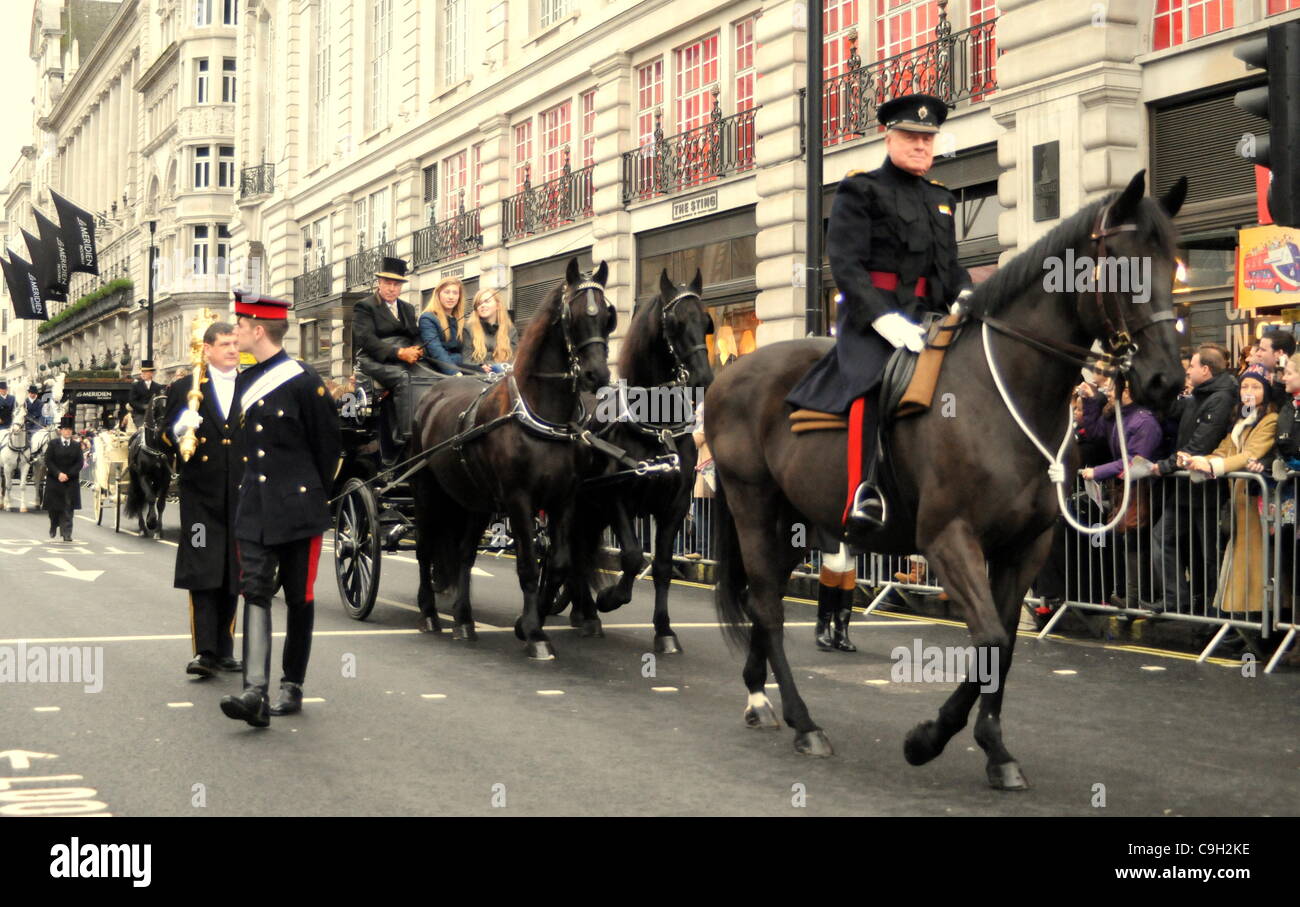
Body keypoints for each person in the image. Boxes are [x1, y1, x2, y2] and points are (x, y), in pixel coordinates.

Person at [785, 93, 972, 535]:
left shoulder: (940, 199)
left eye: (928, 138)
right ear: (888, 138)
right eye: (911, 136)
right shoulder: (860, 189)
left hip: (930, 317)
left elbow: (950, 267)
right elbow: (846, 266)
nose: (922, 146)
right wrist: (883, 319)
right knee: (872, 383)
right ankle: (862, 490)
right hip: (874, 322)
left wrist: (966, 296)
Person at [219, 294, 341, 728]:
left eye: (239, 326)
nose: (234, 334)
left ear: (258, 329)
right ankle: (254, 691)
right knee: (254, 590)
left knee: (298, 597)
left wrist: (309, 497)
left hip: (298, 505)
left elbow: (329, 449)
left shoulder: (306, 381)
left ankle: (292, 683)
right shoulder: (245, 380)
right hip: (255, 505)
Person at [164, 321, 245, 680]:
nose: (232, 349)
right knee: (203, 569)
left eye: (235, 343)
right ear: (207, 349)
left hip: (240, 493)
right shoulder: (187, 386)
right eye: (225, 344)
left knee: (232, 569)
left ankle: (225, 648)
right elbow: (165, 436)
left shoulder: (251, 384)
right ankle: (205, 650)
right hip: (201, 498)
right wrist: (180, 428)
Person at [1151, 346, 1237, 614]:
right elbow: (1174, 410)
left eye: (1191, 367)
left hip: (1208, 492)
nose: (1187, 371)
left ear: (1205, 370)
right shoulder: (1199, 396)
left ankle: (1216, 613)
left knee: (1211, 556)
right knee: (1161, 538)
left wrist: (1163, 467)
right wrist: (1159, 386)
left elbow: (1201, 443)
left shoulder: (1221, 398)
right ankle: (1177, 599)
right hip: (1185, 490)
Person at [1188, 367, 1277, 619]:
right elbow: (1225, 449)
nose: (1248, 392)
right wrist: (1197, 460)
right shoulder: (1241, 419)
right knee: (1241, 560)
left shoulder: (1269, 420)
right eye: (1245, 387)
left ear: (1266, 392)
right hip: (1238, 500)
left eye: (1256, 387)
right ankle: (1240, 618)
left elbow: (1250, 454)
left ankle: (1257, 618)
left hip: (1256, 501)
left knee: (1256, 562)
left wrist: (1213, 465)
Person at [1077, 378, 1164, 610]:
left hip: (1144, 488)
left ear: (1128, 391)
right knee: (1127, 540)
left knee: (1136, 541)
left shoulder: (1144, 421)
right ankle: (1130, 595)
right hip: (1127, 487)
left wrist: (1098, 471)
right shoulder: (1120, 415)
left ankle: (1138, 598)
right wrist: (1092, 400)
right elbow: (1095, 432)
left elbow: (1134, 460)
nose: (1109, 392)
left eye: (1114, 389)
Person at [351, 257, 435, 444]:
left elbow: (415, 334)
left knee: (431, 376)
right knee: (403, 378)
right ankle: (406, 436)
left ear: (401, 287)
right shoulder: (365, 306)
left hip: (404, 357)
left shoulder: (406, 308)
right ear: (379, 283)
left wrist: (418, 349)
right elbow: (367, 340)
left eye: (396, 284)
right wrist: (398, 353)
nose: (391, 288)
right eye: (387, 283)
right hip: (373, 360)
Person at [419, 276, 469, 375]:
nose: (451, 297)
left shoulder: (460, 320)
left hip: (460, 365)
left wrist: (478, 365)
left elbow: (466, 349)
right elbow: (436, 350)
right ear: (438, 294)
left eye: (455, 293)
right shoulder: (428, 318)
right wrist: (455, 373)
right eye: (447, 292)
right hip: (440, 369)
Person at [43, 415, 82, 542]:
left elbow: (79, 463)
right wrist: (58, 473)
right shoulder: (53, 444)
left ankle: (67, 533)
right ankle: (54, 525)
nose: (67, 431)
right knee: (54, 509)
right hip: (55, 480)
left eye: (70, 429)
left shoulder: (76, 445)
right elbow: (48, 461)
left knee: (68, 508)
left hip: (70, 481)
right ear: (60, 431)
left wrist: (68, 475)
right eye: (65, 429)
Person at [464, 288, 519, 374]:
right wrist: (480, 367)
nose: (482, 305)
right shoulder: (468, 328)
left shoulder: (510, 329)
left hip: (502, 376)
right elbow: (466, 359)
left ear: (497, 305)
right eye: (479, 304)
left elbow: (514, 359)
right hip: (479, 376)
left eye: (487, 301)